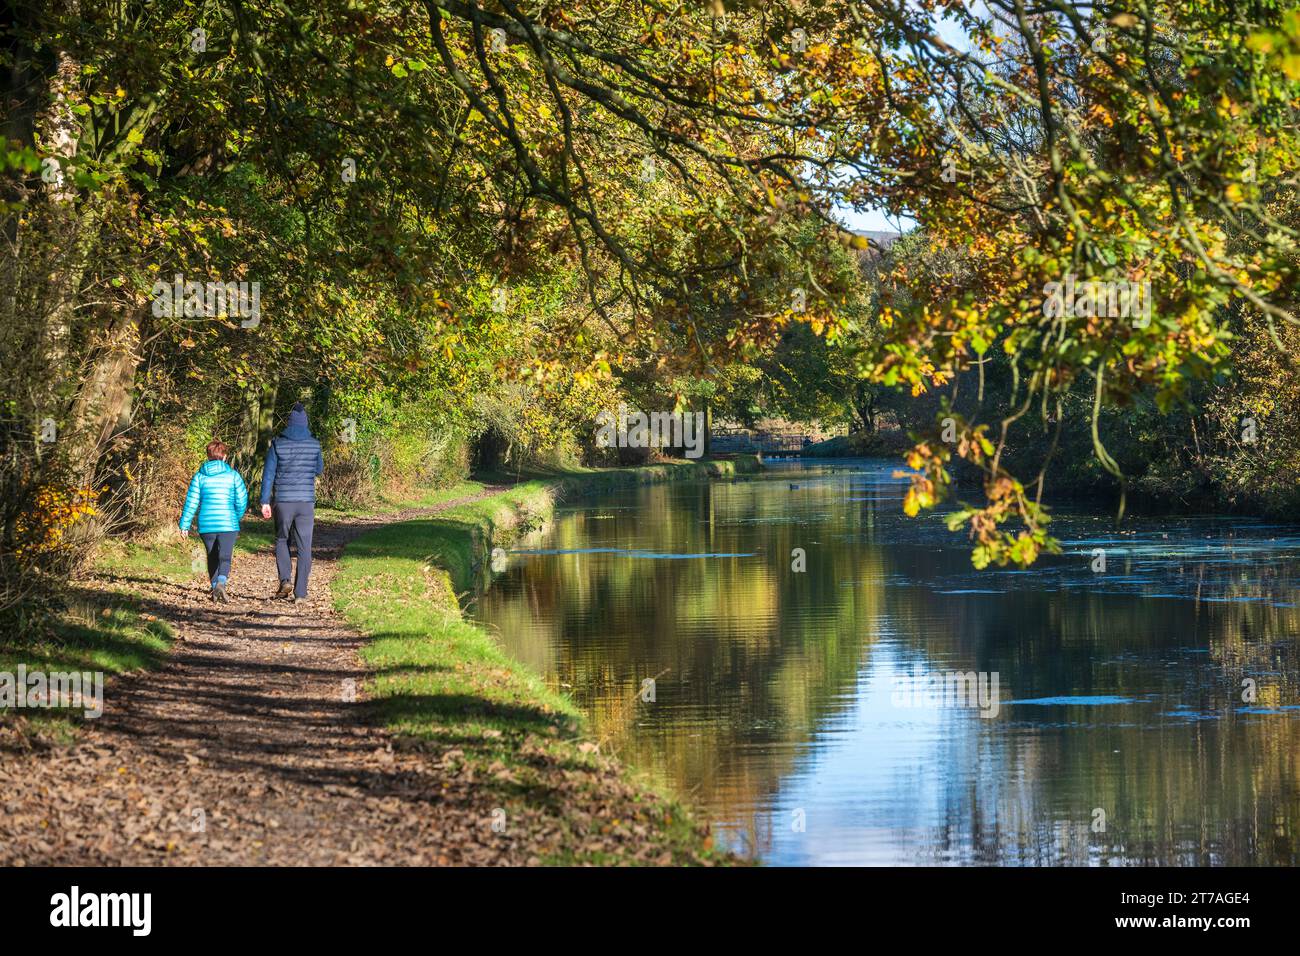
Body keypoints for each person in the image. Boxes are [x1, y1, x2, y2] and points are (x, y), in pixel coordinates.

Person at [259, 402, 324, 602]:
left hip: (283, 501)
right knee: (305, 546)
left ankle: (285, 579)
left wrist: (264, 501)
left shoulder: (278, 443)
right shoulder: (314, 444)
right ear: (305, 423)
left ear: (289, 423)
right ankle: (301, 593)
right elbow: (318, 470)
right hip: (305, 501)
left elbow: (268, 474)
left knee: (281, 540)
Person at [179, 440, 249, 603]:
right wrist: (236, 516)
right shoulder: (233, 475)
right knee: (225, 555)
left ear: (208, 456)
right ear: (224, 457)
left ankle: (214, 586)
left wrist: (185, 525)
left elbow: (192, 501)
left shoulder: (199, 476)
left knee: (212, 555)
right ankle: (221, 583)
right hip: (228, 523)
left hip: (206, 523)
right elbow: (242, 500)